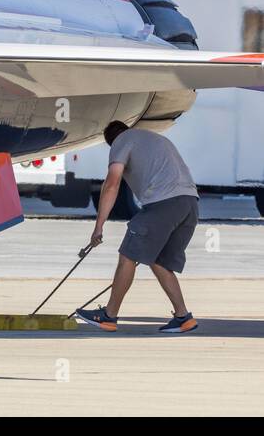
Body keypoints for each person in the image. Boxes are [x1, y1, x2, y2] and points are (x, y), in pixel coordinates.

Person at [77, 121, 201, 333]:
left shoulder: (121, 141)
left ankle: (108, 316)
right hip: (190, 204)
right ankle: (183, 317)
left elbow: (112, 183)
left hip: (164, 204)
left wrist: (98, 227)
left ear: (111, 140)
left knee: (128, 255)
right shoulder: (155, 138)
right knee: (159, 260)